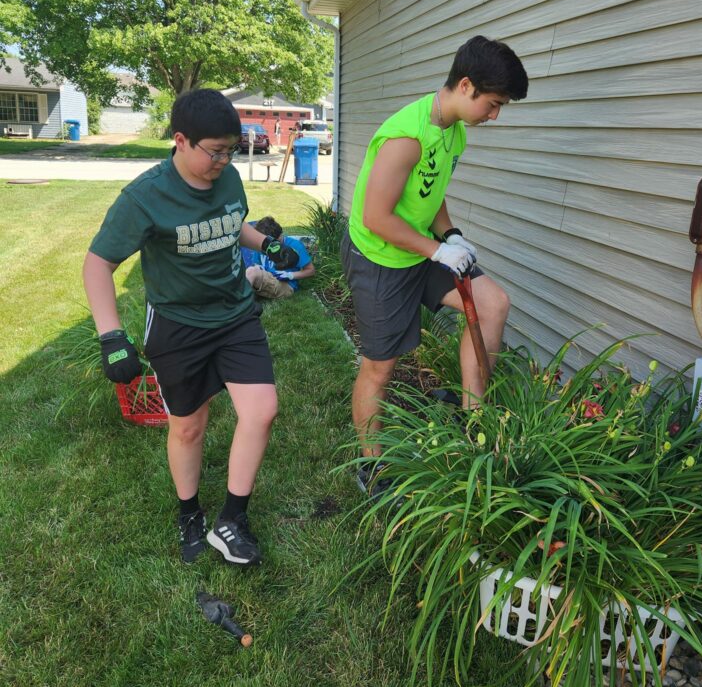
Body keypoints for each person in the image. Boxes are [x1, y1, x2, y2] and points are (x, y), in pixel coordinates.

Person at [82, 89, 299, 567]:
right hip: (178, 323)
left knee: (261, 410)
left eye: (231, 150)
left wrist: (266, 244)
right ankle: (189, 514)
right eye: (215, 151)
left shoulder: (228, 179)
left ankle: (232, 519)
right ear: (181, 140)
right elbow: (98, 264)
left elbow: (230, 223)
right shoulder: (144, 197)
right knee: (188, 427)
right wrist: (111, 336)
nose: (225, 160)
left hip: (235, 314)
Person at [341, 35, 528, 497]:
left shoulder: (454, 129)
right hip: (380, 257)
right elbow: (375, 217)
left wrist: (449, 234)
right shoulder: (405, 136)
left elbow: (429, 189)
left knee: (492, 304)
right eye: (493, 103)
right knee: (380, 368)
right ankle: (371, 466)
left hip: (421, 249)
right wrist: (437, 251)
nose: (495, 115)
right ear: (466, 86)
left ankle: (473, 424)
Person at [243, 215, 315, 299]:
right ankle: (240, 298)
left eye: (278, 242)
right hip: (267, 278)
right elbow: (256, 264)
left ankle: (242, 302)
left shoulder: (295, 245)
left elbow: (311, 271)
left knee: (251, 272)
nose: (276, 246)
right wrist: (259, 268)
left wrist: (290, 275)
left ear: (281, 234)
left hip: (286, 286)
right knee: (245, 274)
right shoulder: (261, 244)